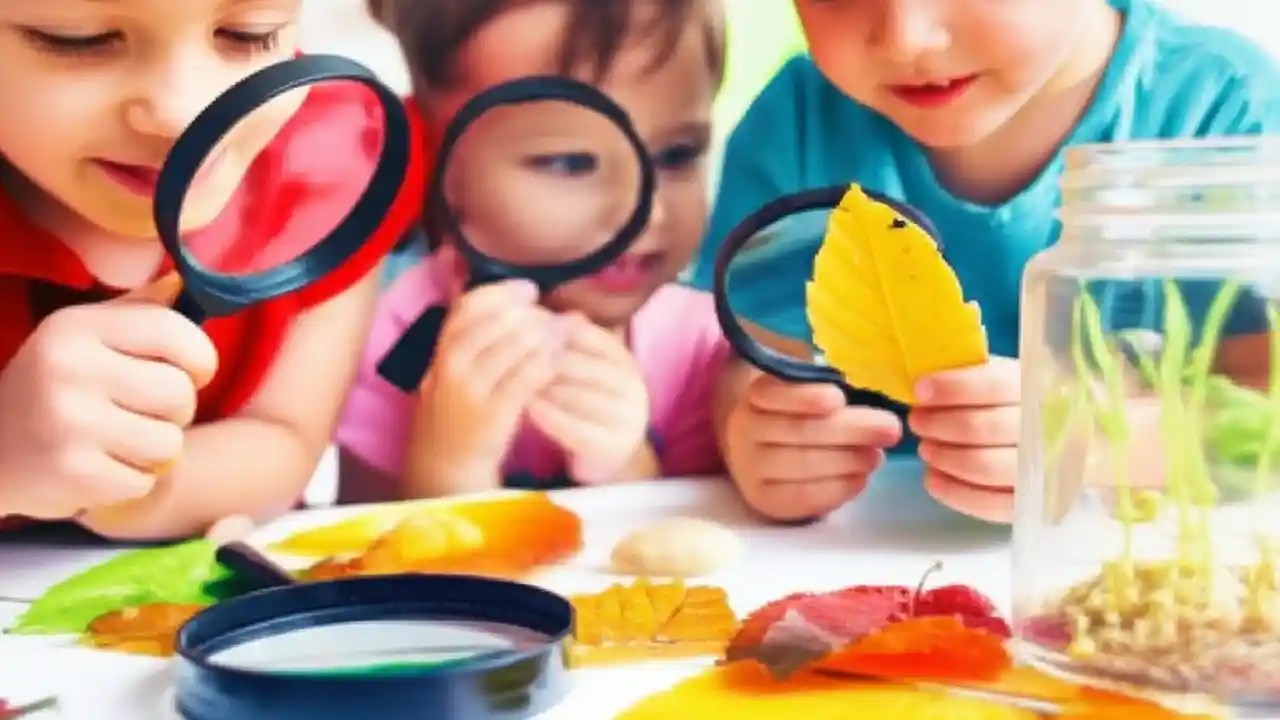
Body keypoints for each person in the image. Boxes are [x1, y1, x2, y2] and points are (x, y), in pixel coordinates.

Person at [693, 0, 1280, 524]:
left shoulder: (1226, 114)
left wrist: (1105, 442)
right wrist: (758, 441)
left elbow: (1264, 411)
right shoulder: (797, 121)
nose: (906, 37)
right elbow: (748, 364)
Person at [0, 0, 424, 538]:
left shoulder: (329, 165)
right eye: (76, 39)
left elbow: (283, 436)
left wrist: (139, 490)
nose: (182, 113)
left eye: (250, 34)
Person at [336, 0, 729, 503]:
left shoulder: (704, 352)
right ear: (435, 160)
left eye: (678, 156)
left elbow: (719, 556)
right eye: (569, 163)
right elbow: (352, 552)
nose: (646, 214)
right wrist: (450, 462)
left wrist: (630, 467)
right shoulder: (391, 339)